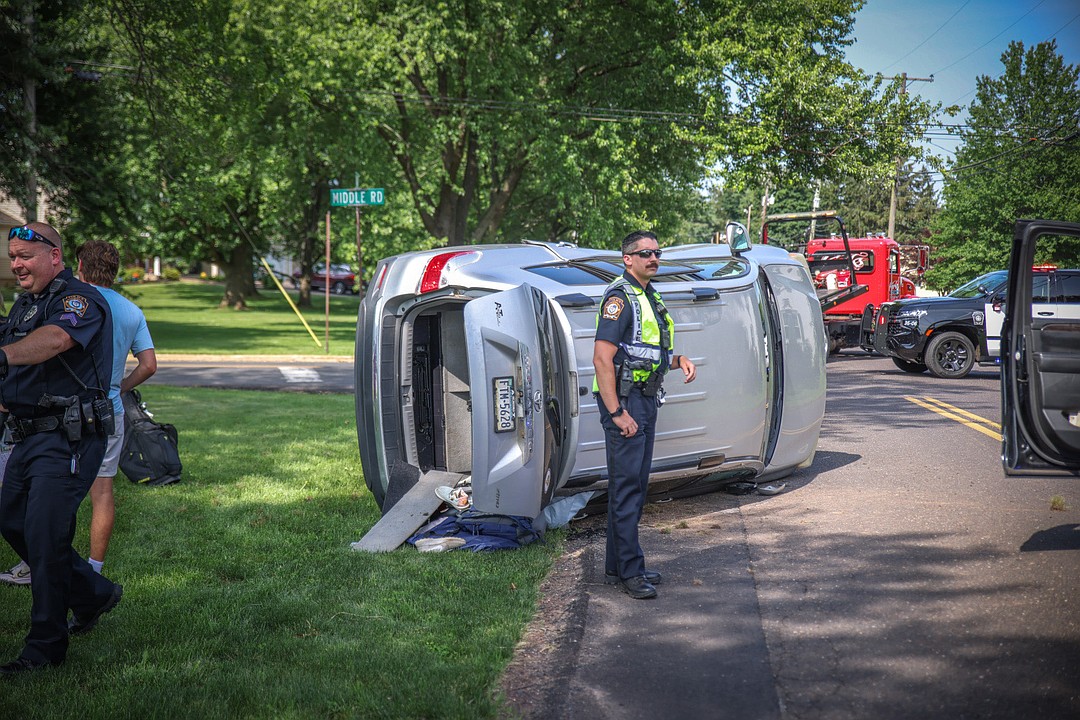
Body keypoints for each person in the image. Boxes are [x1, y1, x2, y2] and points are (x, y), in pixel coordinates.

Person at [0, 222, 122, 676]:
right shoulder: (26, 304)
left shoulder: (80, 300)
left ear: (55, 256)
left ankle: (45, 646)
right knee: (12, 521)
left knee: (45, 538)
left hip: (68, 437)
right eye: (13, 256)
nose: (17, 264)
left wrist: (4, 355)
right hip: (28, 434)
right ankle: (93, 594)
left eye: (25, 256)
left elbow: (56, 340)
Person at [0, 241, 157, 587]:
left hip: (60, 416)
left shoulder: (68, 303)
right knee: (101, 494)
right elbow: (149, 365)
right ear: (116, 270)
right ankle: (93, 569)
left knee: (46, 504)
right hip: (107, 412)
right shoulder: (131, 310)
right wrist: (121, 387)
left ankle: (48, 568)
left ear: (79, 265)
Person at [592, 230, 696, 600]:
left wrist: (677, 360)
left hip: (644, 399)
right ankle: (631, 574)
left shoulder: (647, 296)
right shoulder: (619, 298)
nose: (654, 258)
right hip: (627, 403)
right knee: (627, 490)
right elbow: (602, 359)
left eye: (657, 252)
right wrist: (617, 411)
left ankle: (617, 567)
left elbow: (641, 353)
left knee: (631, 489)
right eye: (645, 253)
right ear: (628, 259)